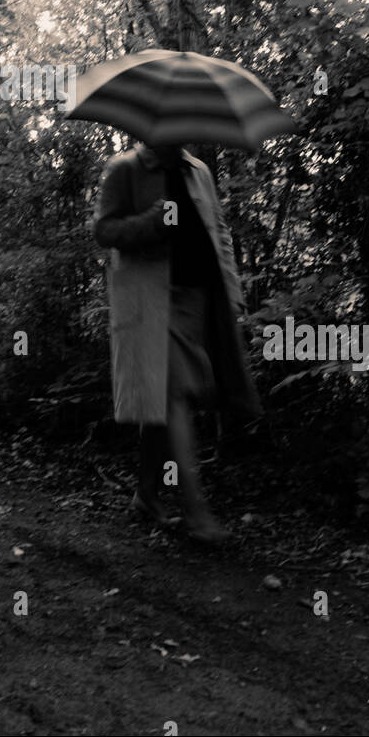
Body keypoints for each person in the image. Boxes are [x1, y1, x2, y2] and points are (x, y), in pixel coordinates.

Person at [93, 140, 262, 542]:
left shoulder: (199, 171)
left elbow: (218, 229)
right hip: (147, 296)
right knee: (175, 395)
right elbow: (104, 230)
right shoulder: (125, 169)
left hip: (195, 296)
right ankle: (197, 511)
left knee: (164, 399)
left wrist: (233, 289)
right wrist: (152, 221)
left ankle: (146, 495)